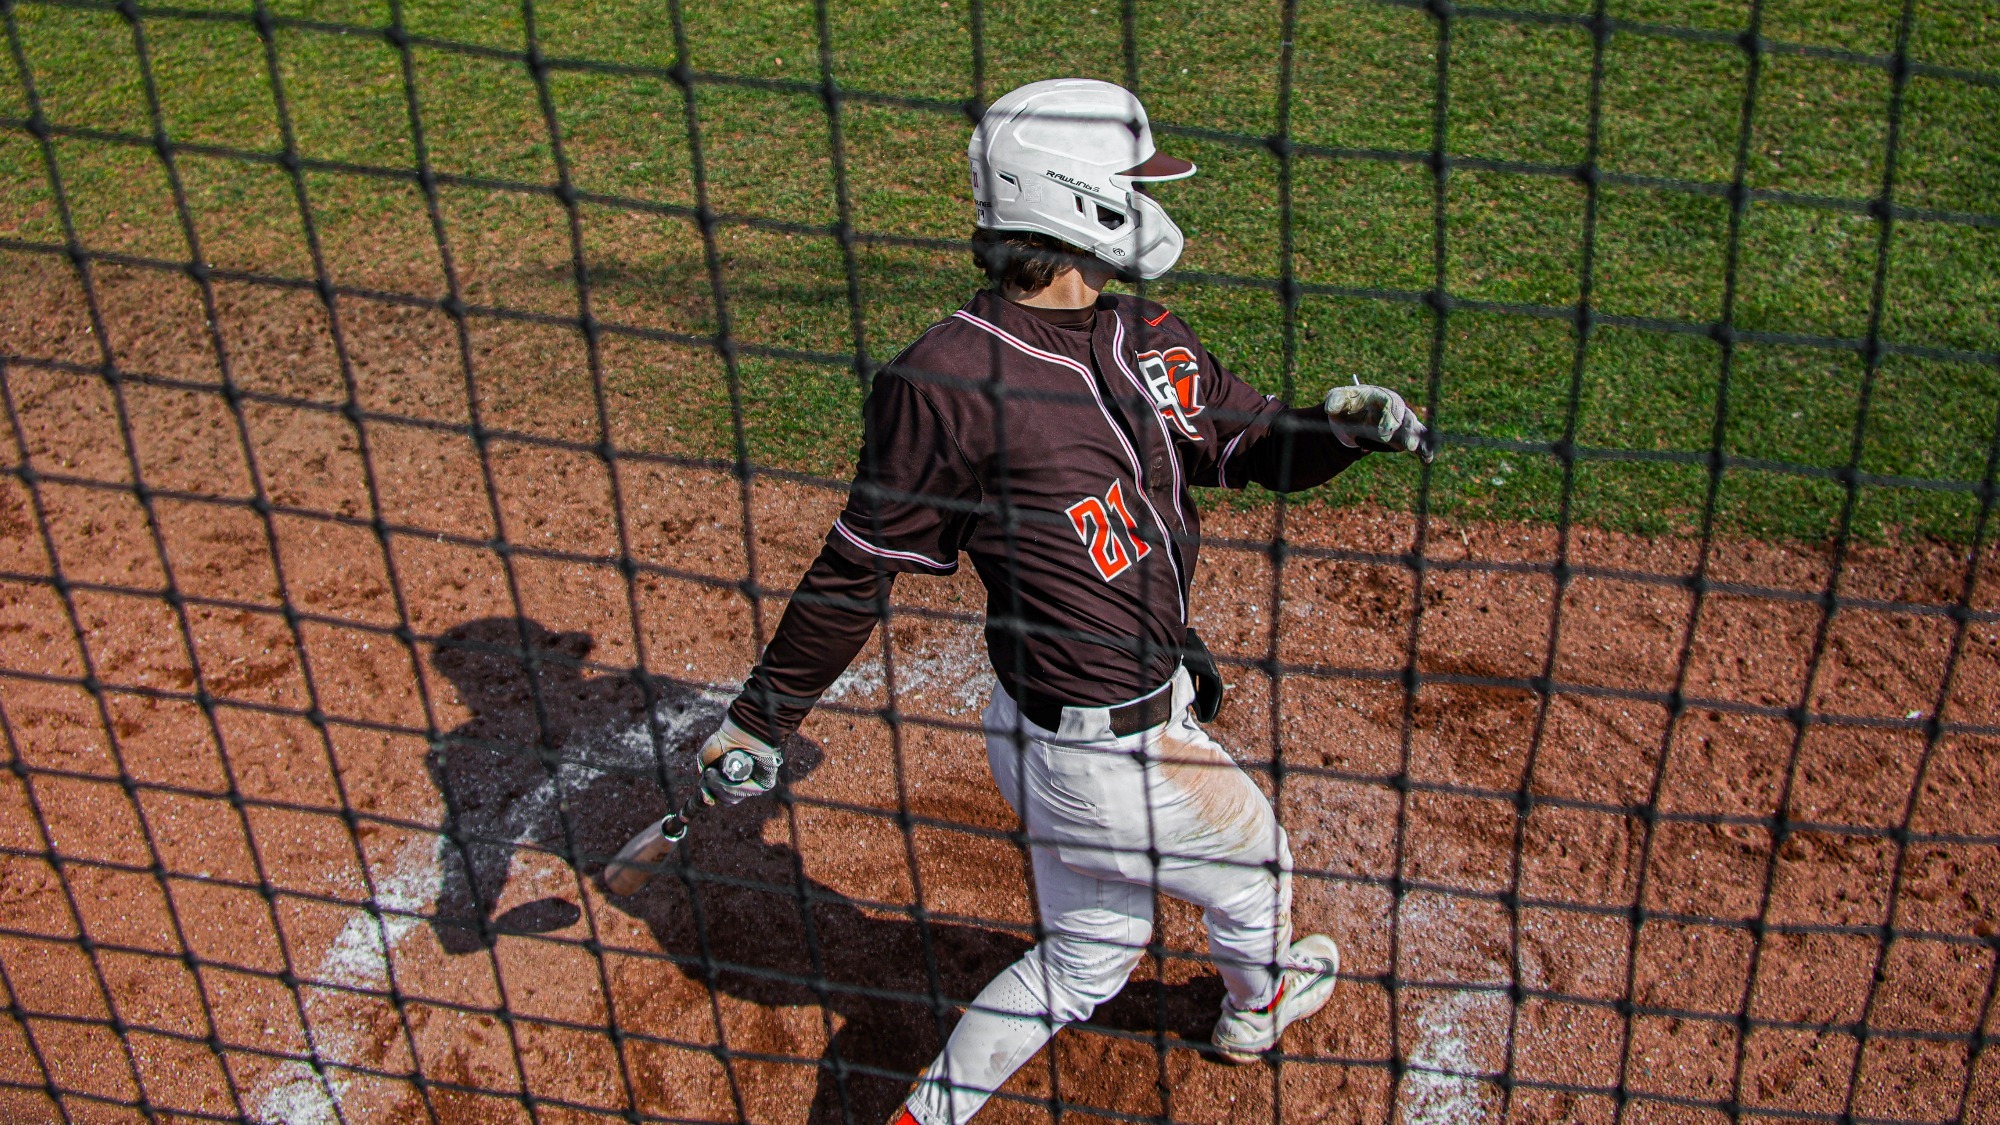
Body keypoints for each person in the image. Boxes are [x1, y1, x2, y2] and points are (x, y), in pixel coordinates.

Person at [607, 77, 1434, 1124]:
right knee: (1257, 866)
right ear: (1074, 196)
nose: (1149, 197)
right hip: (1108, 757)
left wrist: (1337, 429)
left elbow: (1246, 444)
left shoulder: (1143, 335)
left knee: (1086, 959)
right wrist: (761, 715)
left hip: (1048, 731)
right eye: (1132, 181)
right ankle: (1253, 1004)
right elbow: (856, 567)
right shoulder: (947, 382)